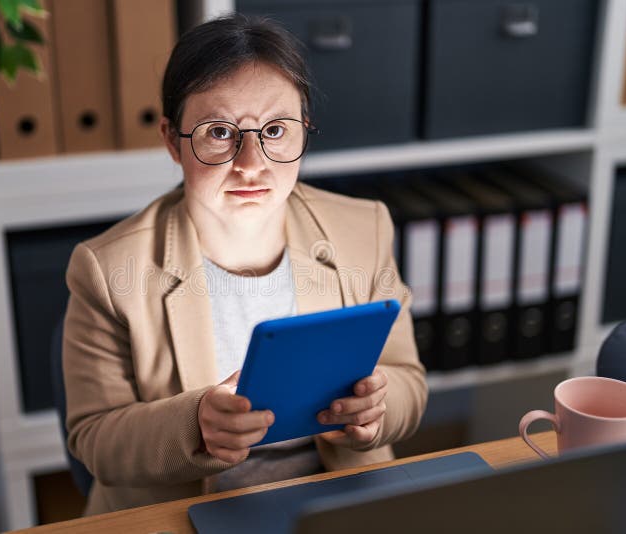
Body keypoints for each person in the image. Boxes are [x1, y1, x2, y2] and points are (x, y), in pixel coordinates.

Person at [62, 13, 427, 516]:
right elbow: (94, 439)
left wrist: (378, 410)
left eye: (275, 129)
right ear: (172, 140)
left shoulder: (363, 230)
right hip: (184, 515)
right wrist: (195, 425)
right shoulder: (107, 269)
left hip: (334, 506)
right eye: (219, 132)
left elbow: (407, 377)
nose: (252, 162)